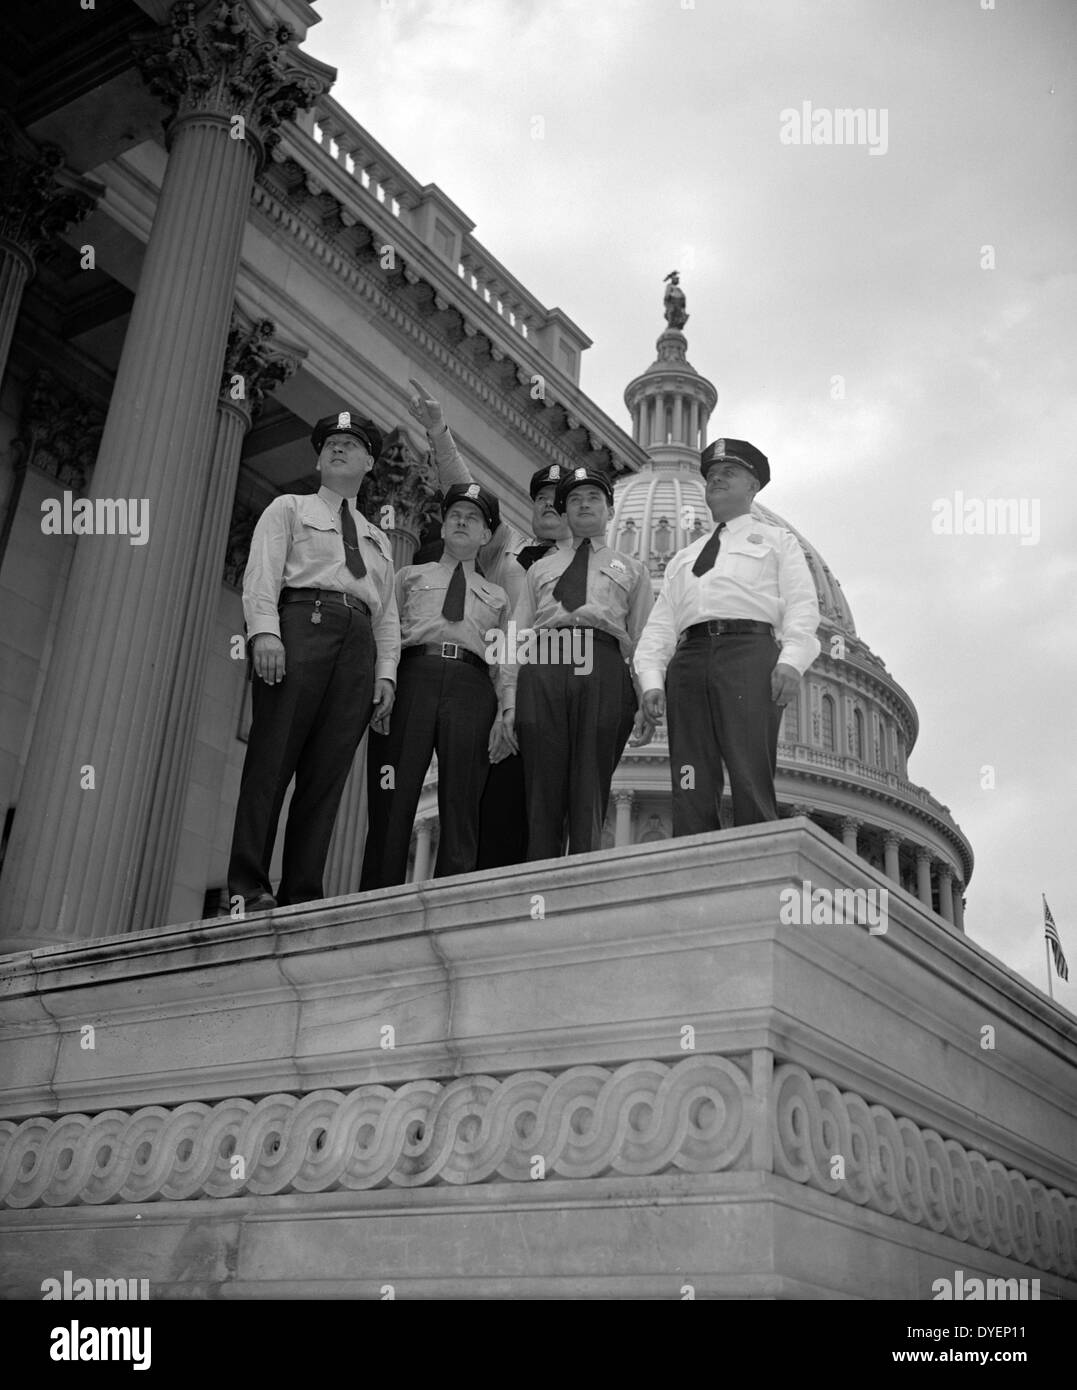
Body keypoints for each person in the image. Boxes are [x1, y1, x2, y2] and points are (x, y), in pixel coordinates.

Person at [227, 410, 399, 912]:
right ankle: (247, 887)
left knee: (327, 775)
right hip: (303, 625)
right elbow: (262, 572)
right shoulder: (289, 507)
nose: (338, 449)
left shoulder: (379, 539)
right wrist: (264, 631)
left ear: (368, 461)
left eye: (350, 443)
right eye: (330, 443)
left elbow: (386, 613)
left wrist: (386, 673)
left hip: (358, 643)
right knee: (271, 760)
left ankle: (302, 891)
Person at [633, 437, 820, 835]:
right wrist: (651, 681)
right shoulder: (683, 557)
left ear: (752, 486)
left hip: (749, 651)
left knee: (749, 767)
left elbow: (802, 603)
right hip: (689, 658)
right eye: (712, 475)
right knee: (690, 775)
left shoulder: (778, 541)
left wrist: (791, 661)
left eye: (728, 473)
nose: (716, 480)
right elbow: (660, 627)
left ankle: (758, 868)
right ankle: (692, 861)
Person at [360, 481, 511, 887]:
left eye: (474, 518)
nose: (462, 522)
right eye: (455, 516)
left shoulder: (496, 596)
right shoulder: (408, 576)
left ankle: (452, 893)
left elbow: (503, 661)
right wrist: (384, 679)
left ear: (485, 536)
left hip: (471, 686)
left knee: (462, 799)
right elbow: (386, 631)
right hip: (414, 676)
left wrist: (505, 710)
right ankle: (377, 894)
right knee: (393, 791)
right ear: (443, 528)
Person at [503, 466, 654, 860]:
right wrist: (508, 699)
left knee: (591, 787)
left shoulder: (633, 570)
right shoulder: (539, 569)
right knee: (543, 789)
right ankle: (539, 882)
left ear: (610, 509)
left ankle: (581, 884)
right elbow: (516, 635)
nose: (584, 504)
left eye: (593, 498)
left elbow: (642, 640)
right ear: (564, 513)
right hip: (546, 662)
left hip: (604, 664)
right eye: (574, 499)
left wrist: (645, 698)